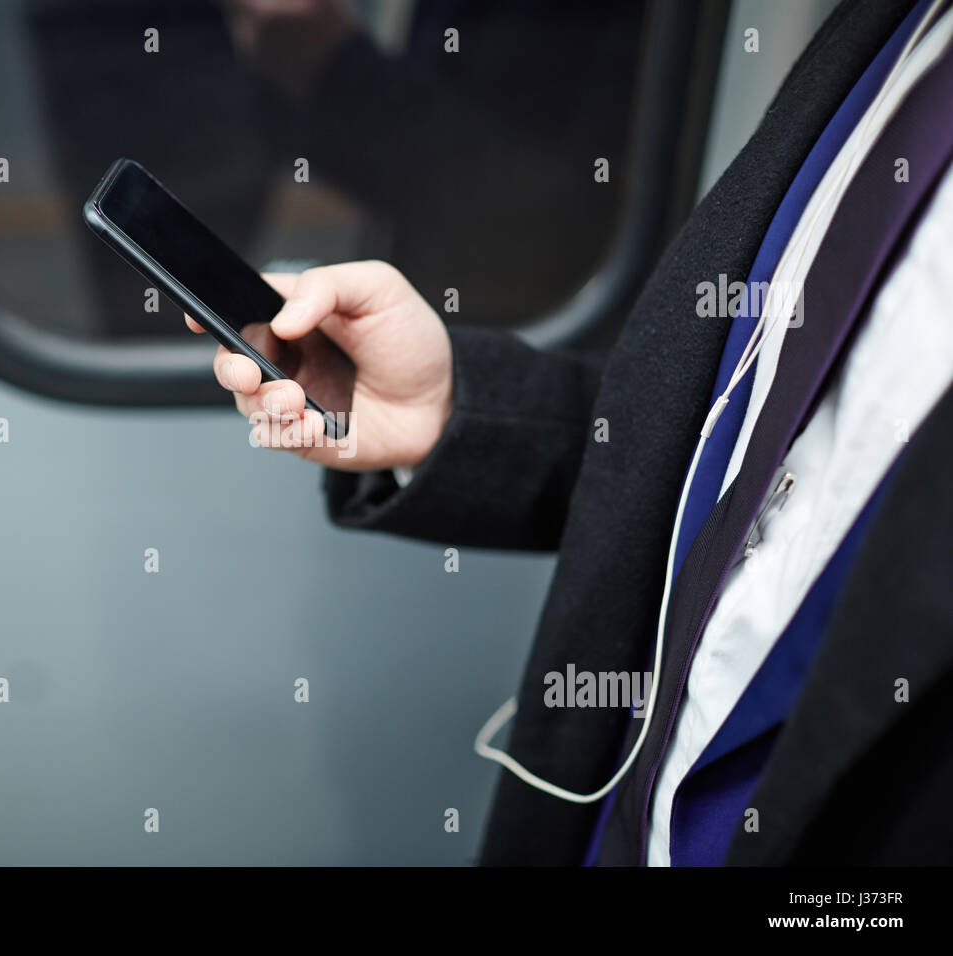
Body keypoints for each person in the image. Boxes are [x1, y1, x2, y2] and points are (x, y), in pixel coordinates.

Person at [190, 0, 953, 865]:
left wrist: (337, 72)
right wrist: (458, 411)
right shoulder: (896, 31)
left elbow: (539, 198)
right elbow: (747, 422)